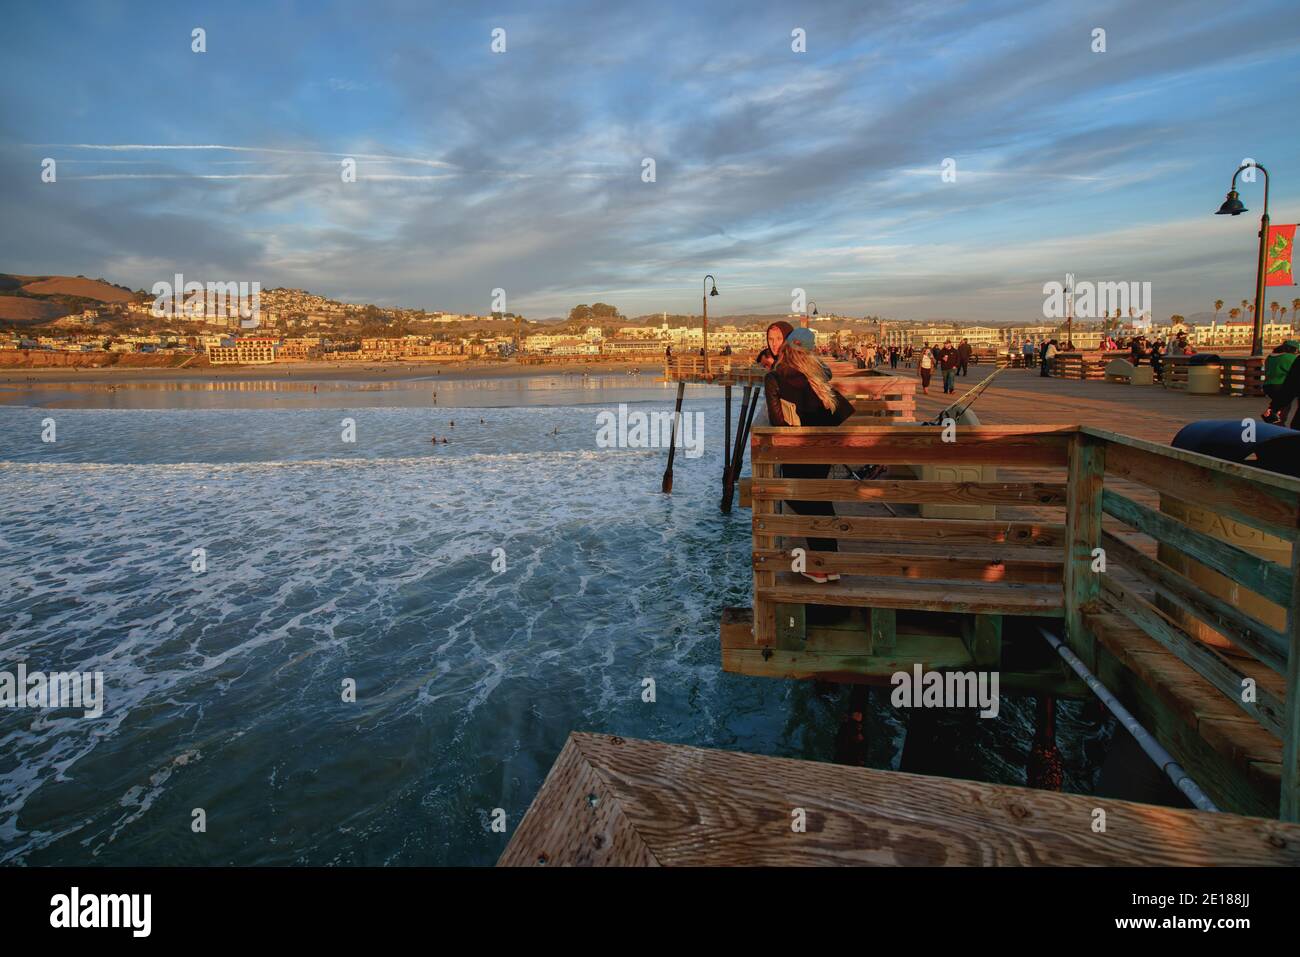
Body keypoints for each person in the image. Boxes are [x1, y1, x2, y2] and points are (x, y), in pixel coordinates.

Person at [763, 320, 855, 584]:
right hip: (821, 450)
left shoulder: (775, 378)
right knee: (820, 502)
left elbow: (776, 422)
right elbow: (839, 411)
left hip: (797, 451)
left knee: (802, 500)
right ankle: (829, 563)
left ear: (788, 348)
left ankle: (823, 564)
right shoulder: (816, 376)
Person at [1263, 340, 1299, 424]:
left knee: (1276, 405)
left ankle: (1271, 419)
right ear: (1293, 349)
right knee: (1284, 406)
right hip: (1281, 385)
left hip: (1268, 386)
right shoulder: (1290, 357)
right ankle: (1278, 424)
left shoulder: (1270, 357)